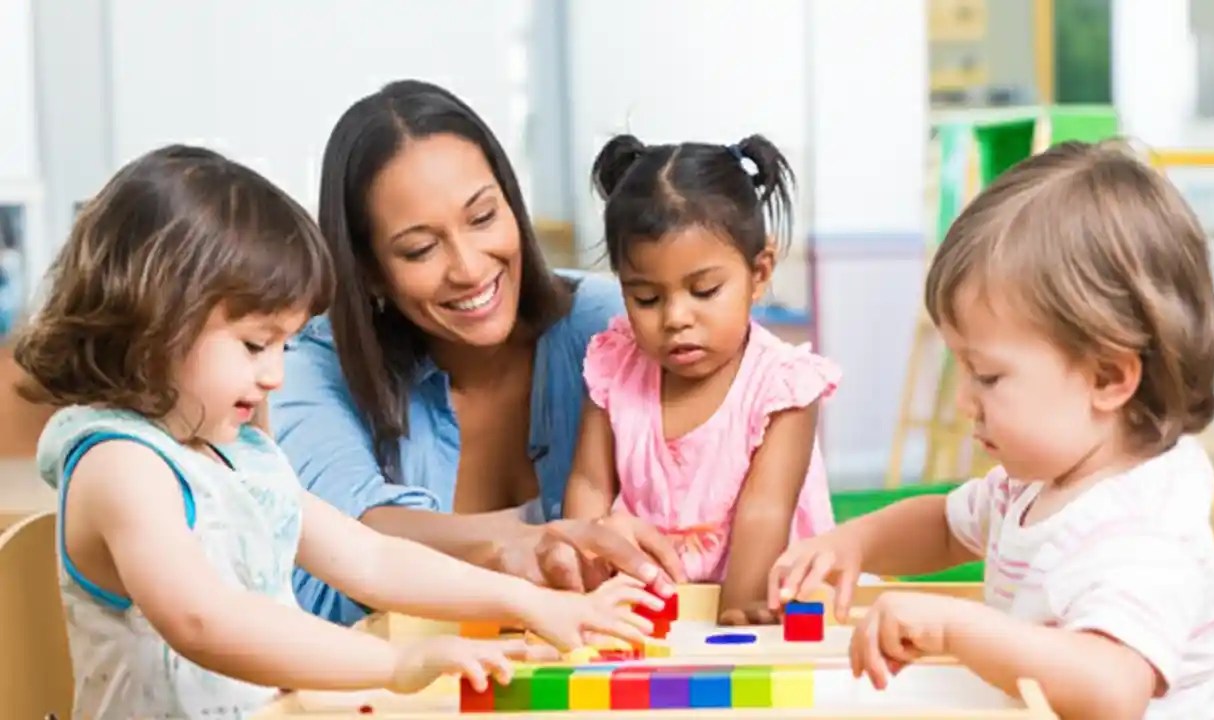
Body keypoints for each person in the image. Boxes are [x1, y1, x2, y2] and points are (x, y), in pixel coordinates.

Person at [13, 145, 660, 718]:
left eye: (285, 347)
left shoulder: (239, 458)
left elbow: (371, 559)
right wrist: (396, 664)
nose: (274, 377)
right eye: (255, 344)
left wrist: (526, 602)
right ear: (155, 323)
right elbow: (203, 619)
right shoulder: (119, 464)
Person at [768, 141, 1214, 719]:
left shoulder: (1142, 527)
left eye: (988, 376)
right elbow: (944, 526)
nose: (965, 402)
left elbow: (1111, 692)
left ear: (1107, 377)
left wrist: (954, 627)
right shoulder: (1039, 481)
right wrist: (853, 542)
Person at [269, 80, 684, 628]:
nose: (468, 267)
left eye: (484, 217)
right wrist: (517, 546)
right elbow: (347, 536)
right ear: (368, 271)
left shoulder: (615, 326)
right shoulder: (309, 366)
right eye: (420, 248)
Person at [563, 133, 841, 625]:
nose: (675, 318)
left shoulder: (783, 386)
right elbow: (589, 483)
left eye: (705, 291)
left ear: (759, 274)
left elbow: (765, 512)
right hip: (650, 609)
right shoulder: (613, 366)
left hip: (762, 600)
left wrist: (738, 615)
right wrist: (586, 582)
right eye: (646, 298)